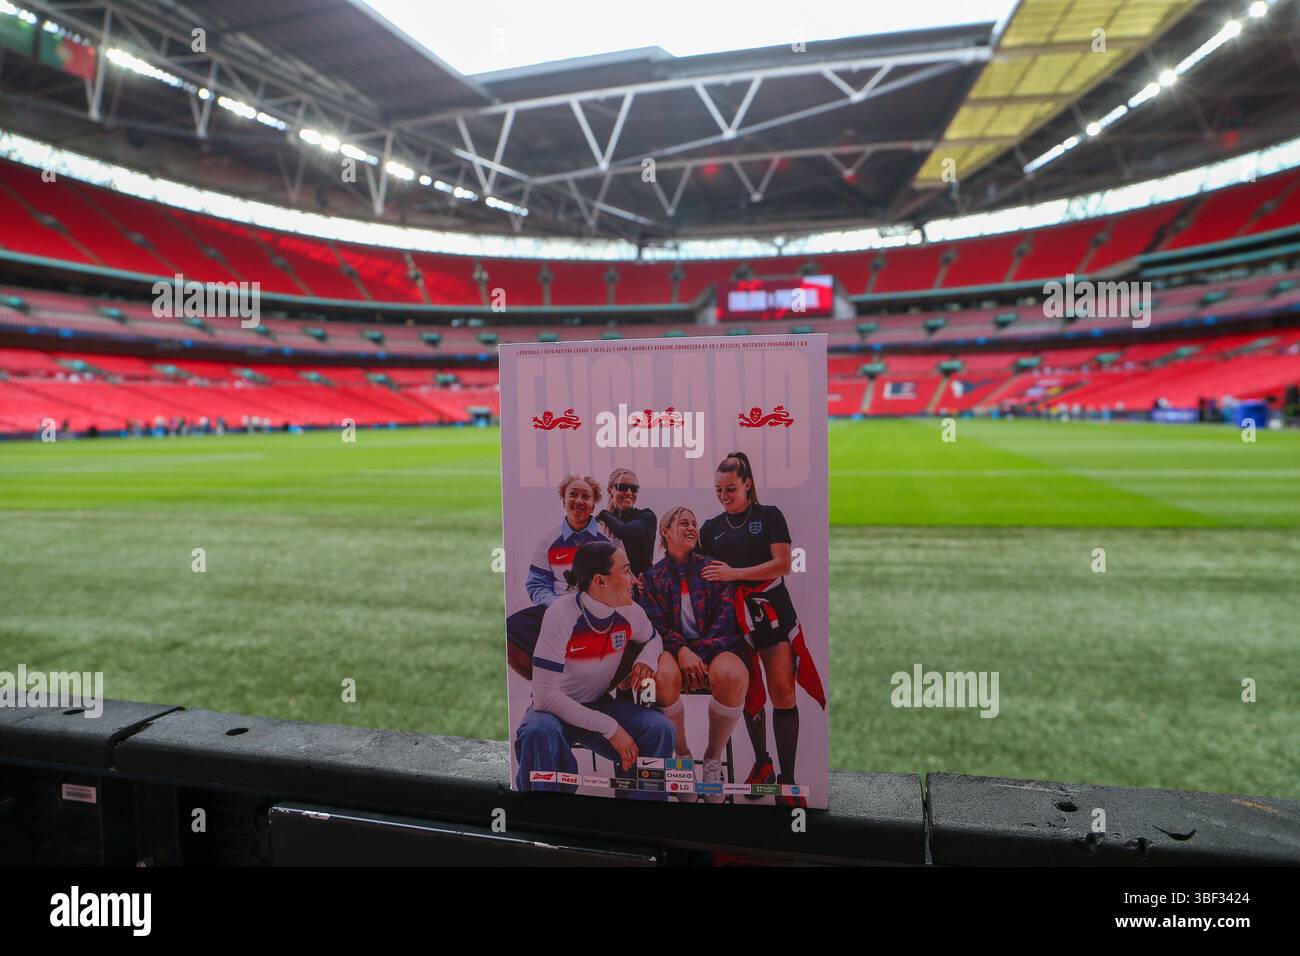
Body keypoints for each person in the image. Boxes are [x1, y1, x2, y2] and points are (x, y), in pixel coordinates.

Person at [698, 451, 826, 808]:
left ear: (748, 484)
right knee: (751, 692)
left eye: (731, 489)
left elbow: (782, 564)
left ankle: (788, 780)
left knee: (783, 692)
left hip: (771, 610)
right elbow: (698, 571)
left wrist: (734, 574)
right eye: (718, 490)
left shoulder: (769, 516)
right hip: (734, 619)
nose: (724, 496)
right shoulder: (711, 528)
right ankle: (762, 765)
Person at [514, 541, 674, 798]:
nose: (633, 579)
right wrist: (609, 727)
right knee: (538, 731)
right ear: (600, 581)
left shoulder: (631, 612)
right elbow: (544, 698)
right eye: (625, 571)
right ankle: (542, 822)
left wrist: (647, 659)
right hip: (555, 711)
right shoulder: (561, 614)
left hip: (597, 703)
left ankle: (643, 820)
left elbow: (653, 639)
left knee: (660, 729)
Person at [639, 507, 749, 804]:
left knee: (732, 674)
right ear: (665, 531)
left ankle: (712, 760)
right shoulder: (651, 578)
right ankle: (682, 758)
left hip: (715, 649)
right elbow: (652, 626)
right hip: (672, 652)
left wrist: (697, 655)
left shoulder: (713, 568)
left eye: (694, 524)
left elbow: (727, 621)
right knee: (661, 677)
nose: (691, 528)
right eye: (683, 523)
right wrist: (682, 651)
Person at [505, 475, 611, 678]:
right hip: (554, 610)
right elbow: (537, 585)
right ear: (564, 500)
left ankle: (588, 690)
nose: (579, 500)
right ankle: (546, 685)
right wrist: (557, 607)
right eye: (573, 494)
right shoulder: (548, 542)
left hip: (594, 615)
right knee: (507, 632)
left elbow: (614, 585)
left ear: (593, 504)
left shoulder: (605, 543)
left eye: (585, 496)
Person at [595, 468, 656, 582]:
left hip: (641, 589)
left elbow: (627, 532)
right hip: (611, 588)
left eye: (634, 489)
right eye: (622, 487)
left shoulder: (646, 516)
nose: (629, 492)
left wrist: (604, 513)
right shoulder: (601, 524)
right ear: (610, 490)